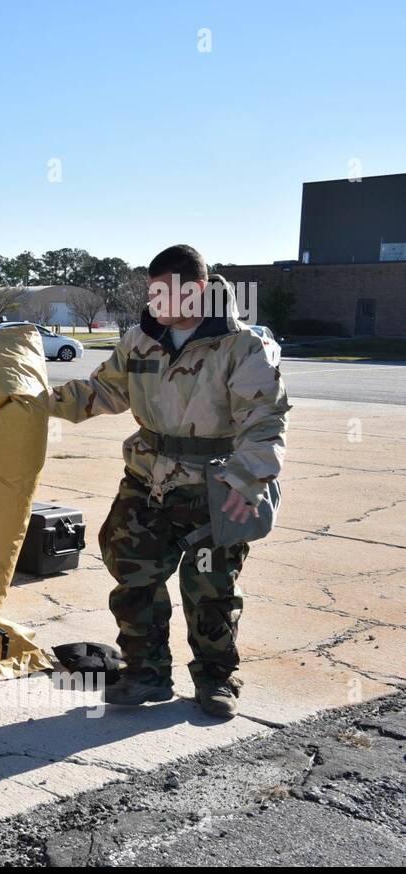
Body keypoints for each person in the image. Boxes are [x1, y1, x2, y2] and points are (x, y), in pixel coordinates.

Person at [48, 244, 290, 718]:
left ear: (197, 290)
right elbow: (101, 391)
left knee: (211, 588)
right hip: (147, 477)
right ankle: (146, 673)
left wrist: (247, 481)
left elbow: (265, 420)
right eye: (151, 291)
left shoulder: (241, 346)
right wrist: (35, 401)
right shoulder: (141, 340)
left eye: (164, 292)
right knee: (133, 575)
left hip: (213, 484)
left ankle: (217, 679)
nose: (154, 301)